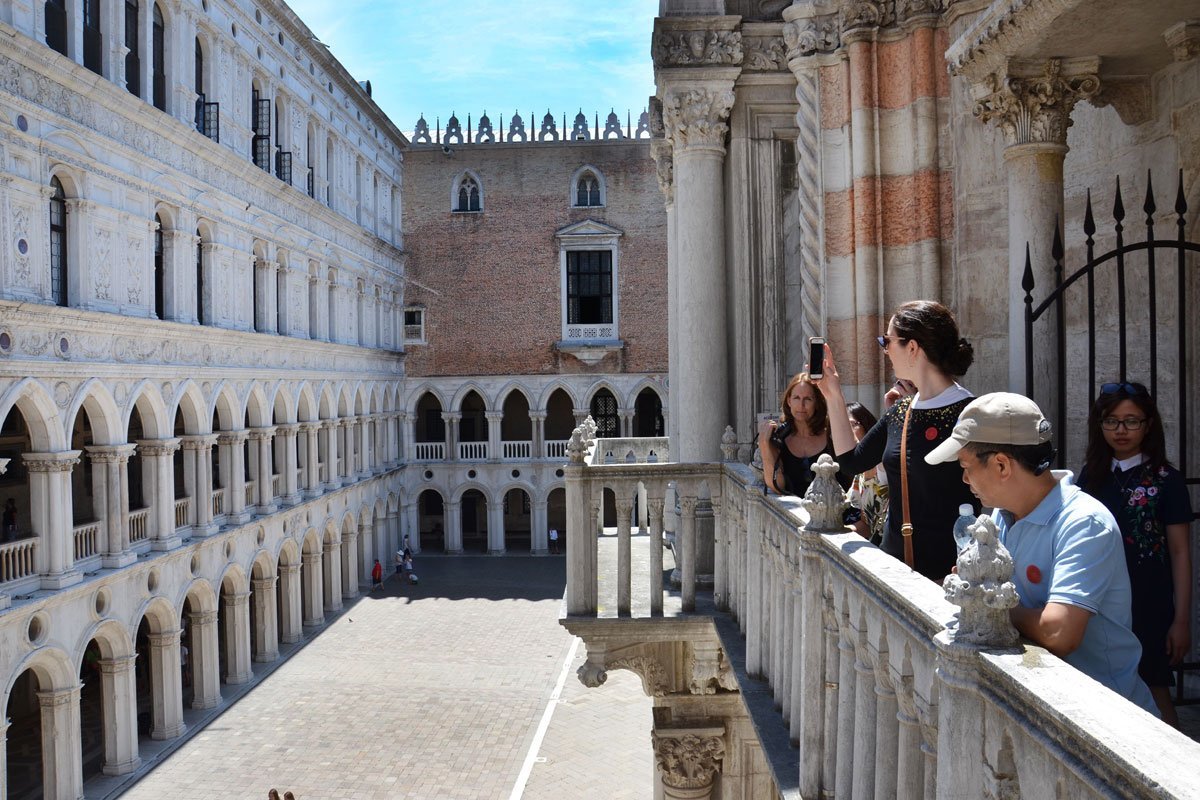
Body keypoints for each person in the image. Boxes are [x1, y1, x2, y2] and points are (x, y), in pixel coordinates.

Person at [926, 392, 1159, 715]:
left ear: (1001, 465)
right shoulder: (1001, 515)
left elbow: (1059, 632)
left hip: (1106, 715)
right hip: (1050, 705)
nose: (965, 478)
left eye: (966, 467)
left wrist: (987, 602)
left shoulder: (1085, 523)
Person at [816, 300, 979, 581]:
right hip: (895, 571)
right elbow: (851, 461)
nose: (885, 350)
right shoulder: (902, 410)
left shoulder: (970, 413)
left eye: (887, 341)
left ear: (912, 347)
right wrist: (833, 394)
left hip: (949, 579)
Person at [1077, 382, 1193, 726]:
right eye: (1111, 421)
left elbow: (1180, 552)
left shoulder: (1167, 480)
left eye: (1131, 421)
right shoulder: (1091, 477)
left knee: (1154, 688)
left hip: (1149, 602)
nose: (1121, 430)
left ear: (1148, 424)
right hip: (1100, 598)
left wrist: (1181, 620)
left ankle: (1175, 757)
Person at [758, 372, 849, 498]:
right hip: (795, 510)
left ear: (817, 403)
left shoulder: (832, 434)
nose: (801, 405)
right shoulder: (780, 439)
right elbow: (777, 486)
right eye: (796, 398)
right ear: (789, 401)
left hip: (836, 507)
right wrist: (764, 445)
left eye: (808, 399)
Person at [846, 402, 887, 544]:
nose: (846, 432)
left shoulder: (883, 462)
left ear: (866, 424)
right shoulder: (860, 472)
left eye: (852, 424)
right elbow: (867, 525)